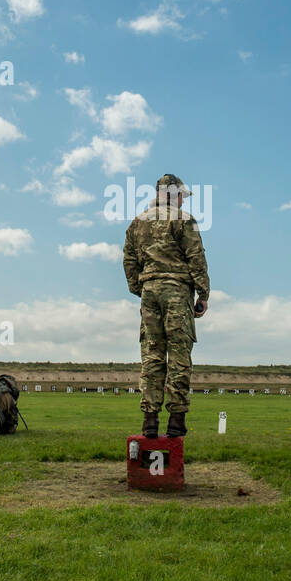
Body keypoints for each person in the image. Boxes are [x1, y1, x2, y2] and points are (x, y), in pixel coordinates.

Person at [122, 173, 209, 438]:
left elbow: (129, 260)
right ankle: (176, 419)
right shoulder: (184, 220)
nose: (184, 200)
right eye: (182, 195)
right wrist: (202, 293)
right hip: (177, 291)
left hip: (149, 293)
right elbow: (196, 257)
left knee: (152, 354)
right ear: (175, 195)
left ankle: (149, 420)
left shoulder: (137, 223)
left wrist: (141, 288)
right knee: (179, 354)